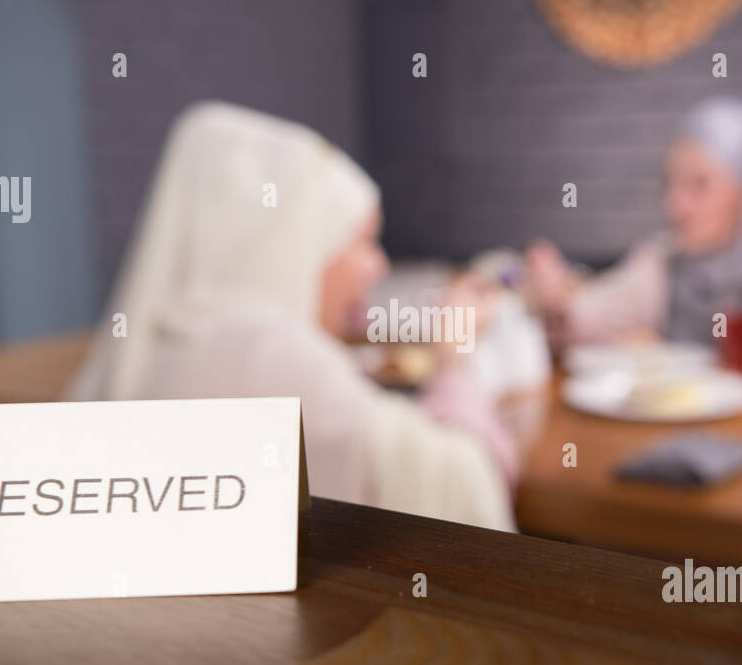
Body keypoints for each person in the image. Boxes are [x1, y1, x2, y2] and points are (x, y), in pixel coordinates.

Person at [67, 102, 517, 531]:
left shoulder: (179, 334)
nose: (377, 266)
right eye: (363, 241)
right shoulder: (260, 346)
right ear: (300, 242)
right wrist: (456, 355)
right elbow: (462, 482)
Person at [525, 94, 742, 369]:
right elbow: (582, 321)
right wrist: (556, 304)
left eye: (699, 185)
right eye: (671, 184)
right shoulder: (664, 261)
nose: (674, 206)